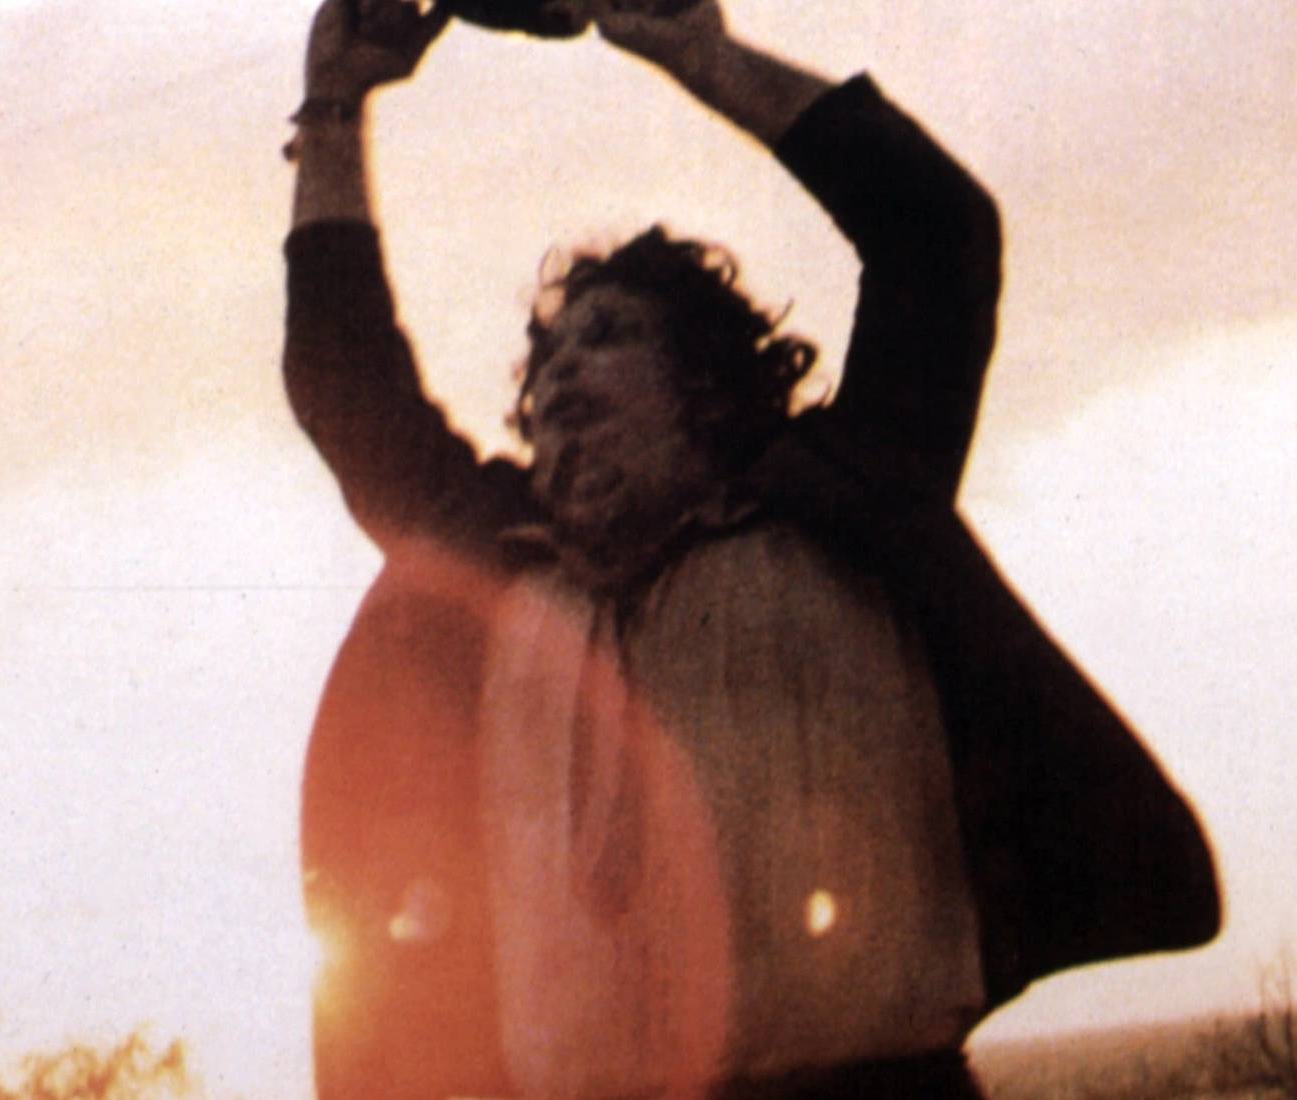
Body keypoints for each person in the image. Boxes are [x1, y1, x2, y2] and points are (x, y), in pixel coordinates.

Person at [281, 1, 1221, 1096]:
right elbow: (346, 383)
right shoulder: (499, 563)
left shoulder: (845, 492)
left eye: (611, 335)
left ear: (713, 380)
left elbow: (933, 232)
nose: (564, 370)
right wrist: (333, 107)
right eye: (549, 359)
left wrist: (701, 55)